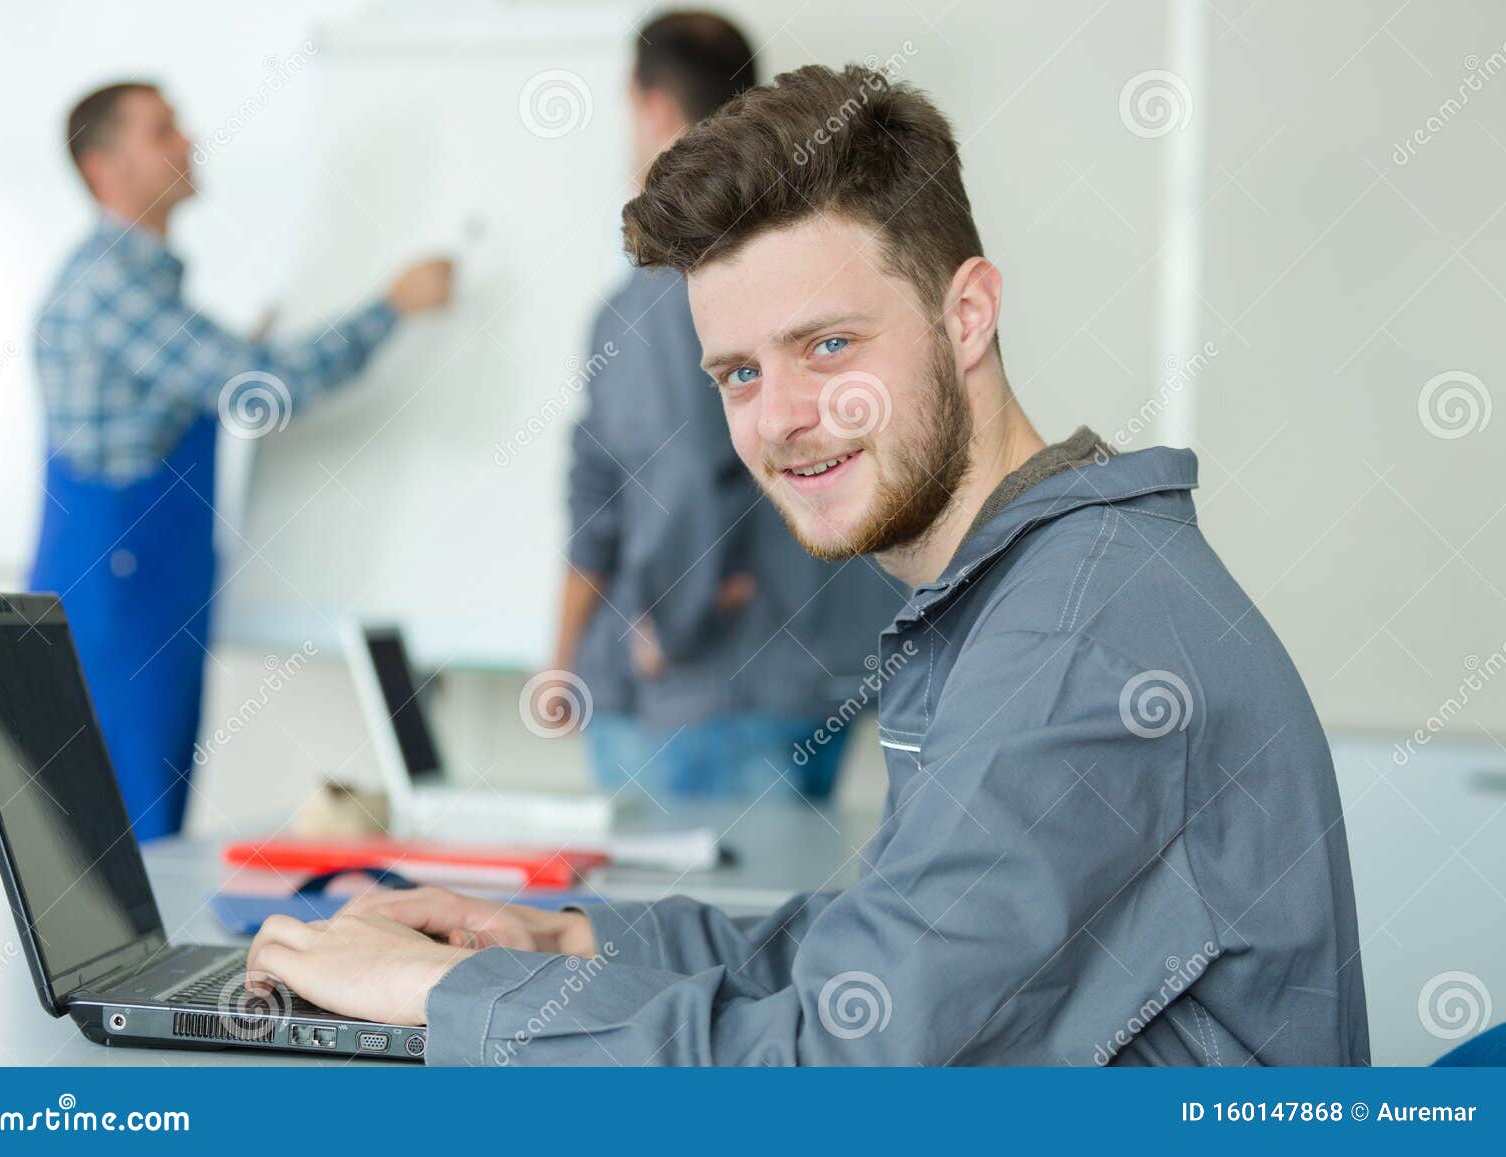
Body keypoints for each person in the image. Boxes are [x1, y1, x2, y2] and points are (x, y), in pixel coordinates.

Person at [245, 65, 1369, 1066]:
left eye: (827, 344)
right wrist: (565, 935)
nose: (780, 418)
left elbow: (831, 1068)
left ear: (965, 312)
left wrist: (441, 991)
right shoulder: (1019, 583)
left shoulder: (1077, 636)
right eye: (735, 372)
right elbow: (868, 950)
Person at [30, 82, 452, 839]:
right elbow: (264, 386)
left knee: (141, 839)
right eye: (163, 132)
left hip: (146, 595)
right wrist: (392, 306)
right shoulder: (112, 286)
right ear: (105, 170)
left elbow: (219, 379)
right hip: (117, 604)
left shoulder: (140, 286)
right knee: (124, 852)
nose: (190, 141)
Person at [549, 11, 902, 799]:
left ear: (655, 112)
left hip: (709, 695)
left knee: (693, 924)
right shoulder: (827, 261)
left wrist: (666, 624)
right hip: (816, 667)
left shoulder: (673, 289)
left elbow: (678, 472)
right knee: (782, 913)